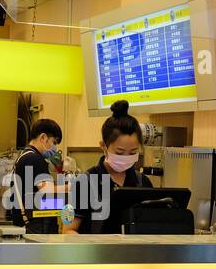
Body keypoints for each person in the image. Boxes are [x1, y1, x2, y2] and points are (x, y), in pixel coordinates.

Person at [64, 100, 153, 234]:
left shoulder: (143, 183)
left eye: (133, 152)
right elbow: (67, 230)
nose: (126, 157)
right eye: (119, 152)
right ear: (103, 146)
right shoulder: (84, 183)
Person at [7, 118, 64, 234]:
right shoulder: (35, 159)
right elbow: (48, 192)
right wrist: (73, 187)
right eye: (54, 142)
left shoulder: (24, 155)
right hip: (35, 227)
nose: (55, 148)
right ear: (43, 137)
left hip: (25, 225)